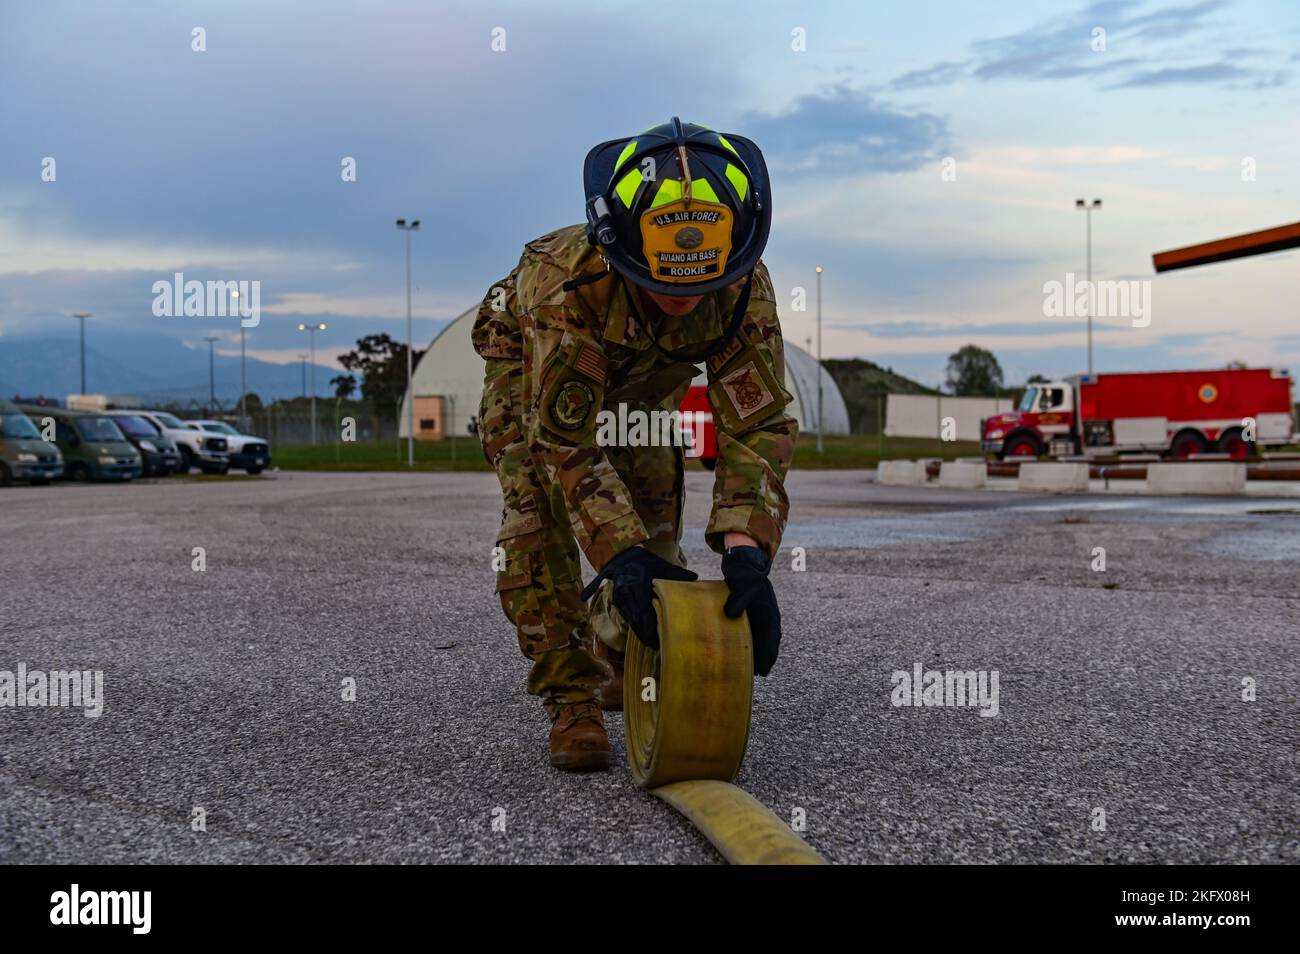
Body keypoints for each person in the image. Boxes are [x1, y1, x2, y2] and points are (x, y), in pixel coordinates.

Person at [474, 118, 797, 771]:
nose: (681, 299)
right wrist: (614, 550)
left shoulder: (741, 285)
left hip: (647, 389)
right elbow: (563, 437)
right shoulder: (564, 282)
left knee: (652, 552)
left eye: (696, 286)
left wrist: (747, 550)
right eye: (661, 284)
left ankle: (614, 650)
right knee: (539, 523)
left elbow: (754, 422)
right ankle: (571, 699)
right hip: (532, 375)